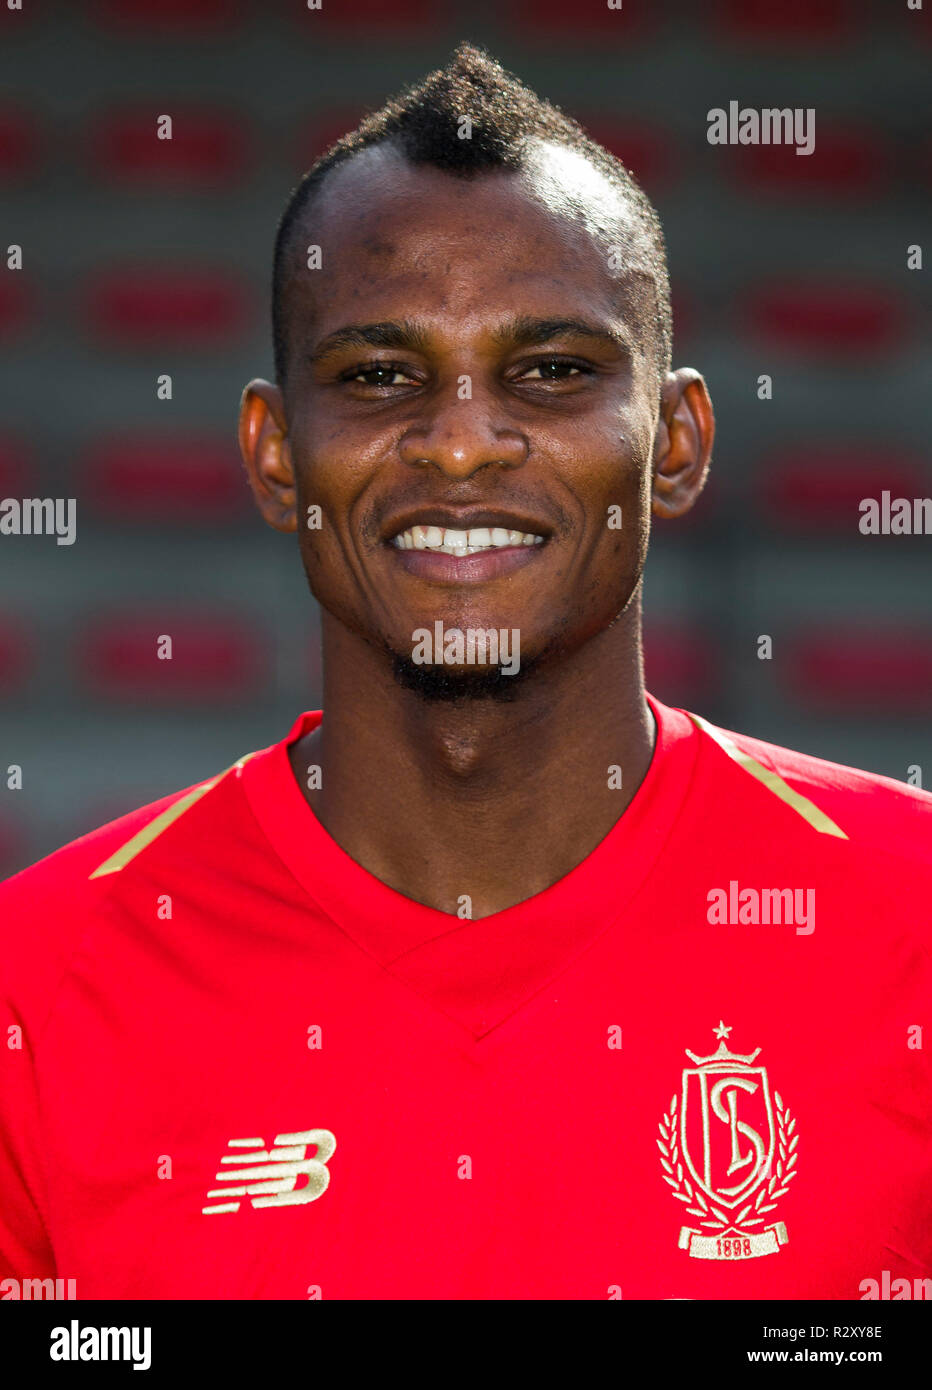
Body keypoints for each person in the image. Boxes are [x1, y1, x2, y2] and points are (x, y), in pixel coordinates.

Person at [1, 43, 929, 1302]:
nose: (459, 446)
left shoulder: (905, 923)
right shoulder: (43, 983)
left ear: (674, 442)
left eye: (549, 372)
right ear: (277, 457)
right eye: (381, 376)